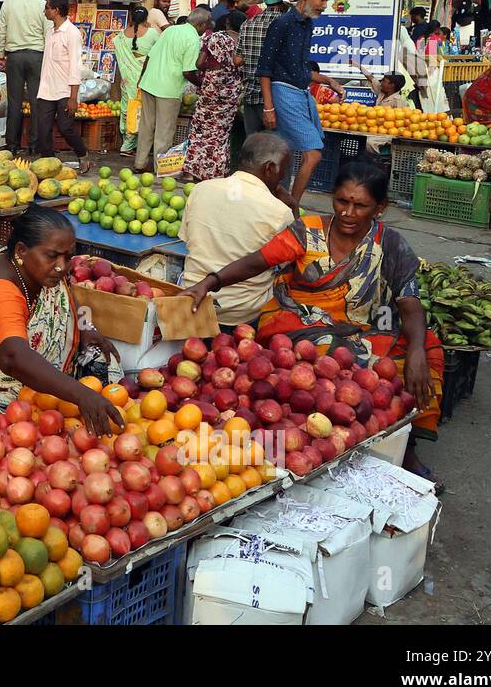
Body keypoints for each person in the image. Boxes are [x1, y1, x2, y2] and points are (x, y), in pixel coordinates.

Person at [184, 161, 443, 479]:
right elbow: (257, 261)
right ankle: (327, 435)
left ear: (380, 208)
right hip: (296, 319)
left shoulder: (391, 245)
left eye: (360, 205)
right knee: (328, 350)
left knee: (426, 349)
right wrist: (211, 282)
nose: (348, 213)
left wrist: (416, 350)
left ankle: (407, 444)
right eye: (341, 201)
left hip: (360, 327)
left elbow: (409, 302)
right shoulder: (308, 230)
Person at [0, 205, 126, 434]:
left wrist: (84, 326)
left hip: (21, 361)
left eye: (68, 257)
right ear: (21, 250)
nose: (61, 266)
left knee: (103, 361)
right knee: (13, 426)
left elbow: (64, 294)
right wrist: (81, 394)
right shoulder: (2, 294)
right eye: (52, 256)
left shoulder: (34, 269)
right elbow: (12, 357)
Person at [180, 132, 294, 329]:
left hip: (191, 301)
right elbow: (293, 262)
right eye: (281, 174)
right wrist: (293, 209)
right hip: (242, 315)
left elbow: (188, 241)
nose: (281, 181)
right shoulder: (280, 212)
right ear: (269, 168)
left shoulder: (201, 190)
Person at [258, 0, 344, 210]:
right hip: (283, 93)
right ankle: (292, 207)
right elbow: (265, 68)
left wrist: (328, 81)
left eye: (327, 0)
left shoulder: (307, 25)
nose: (325, 5)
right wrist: (269, 107)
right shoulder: (283, 23)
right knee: (313, 154)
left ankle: (279, 203)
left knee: (284, 155)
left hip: (300, 93)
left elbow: (301, 69)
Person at [134, 6, 211, 172]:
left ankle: (139, 163)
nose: (206, 30)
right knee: (164, 131)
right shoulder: (193, 39)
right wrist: (203, 85)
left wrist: (142, 77)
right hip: (168, 89)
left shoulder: (170, 30)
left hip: (149, 82)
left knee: (147, 126)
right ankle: (160, 169)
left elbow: (150, 54)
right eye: (206, 26)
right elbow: (188, 71)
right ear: (201, 24)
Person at [183, 10, 247, 181]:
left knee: (200, 130)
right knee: (220, 134)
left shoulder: (215, 37)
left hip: (211, 89)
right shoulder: (243, 42)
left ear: (227, 23)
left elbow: (199, 63)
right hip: (231, 93)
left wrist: (210, 72)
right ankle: (214, 175)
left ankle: (191, 171)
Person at [33, 0, 92, 172]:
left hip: (65, 90)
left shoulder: (72, 33)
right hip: (46, 89)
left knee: (66, 128)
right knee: (42, 131)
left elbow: (75, 66)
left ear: (56, 10)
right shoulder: (50, 32)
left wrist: (73, 97)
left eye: (47, 8)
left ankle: (82, 155)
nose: (45, 11)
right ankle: (49, 165)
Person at [0, 0, 48, 155]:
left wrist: (1, 55)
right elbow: (47, 33)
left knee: (14, 102)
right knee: (36, 102)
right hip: (36, 56)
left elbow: (0, 31)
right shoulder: (43, 5)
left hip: (15, 56)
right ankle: (34, 145)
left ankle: (12, 144)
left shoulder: (9, 4)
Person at [237, 0, 287, 135]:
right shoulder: (286, 23)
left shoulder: (247, 24)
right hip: (276, 100)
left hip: (251, 95)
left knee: (253, 148)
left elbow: (238, 60)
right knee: (275, 149)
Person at [112, 5, 158, 156]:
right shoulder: (152, 34)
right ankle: (131, 145)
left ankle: (127, 140)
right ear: (146, 19)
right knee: (141, 111)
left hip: (127, 81)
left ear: (130, 19)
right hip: (144, 80)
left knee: (127, 108)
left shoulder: (120, 36)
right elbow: (156, 54)